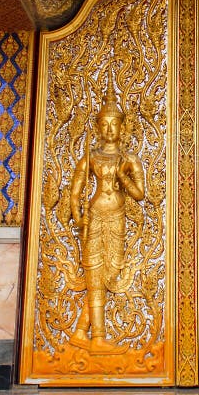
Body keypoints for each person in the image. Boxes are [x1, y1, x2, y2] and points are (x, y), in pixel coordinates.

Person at [68, 65, 145, 355]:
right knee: (94, 272)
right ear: (98, 126)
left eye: (114, 123)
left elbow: (139, 194)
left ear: (121, 126)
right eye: (105, 123)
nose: (109, 128)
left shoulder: (129, 158)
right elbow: (76, 190)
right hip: (97, 214)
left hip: (117, 217)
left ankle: (80, 330)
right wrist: (78, 214)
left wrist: (123, 176)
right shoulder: (91, 156)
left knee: (111, 271)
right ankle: (97, 336)